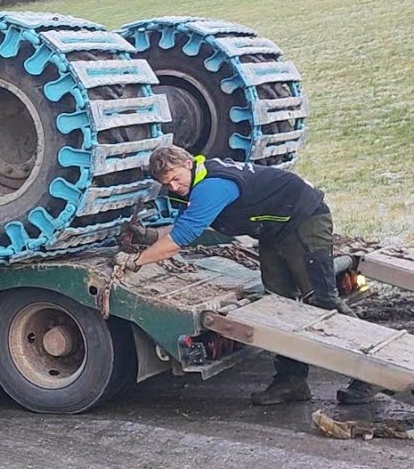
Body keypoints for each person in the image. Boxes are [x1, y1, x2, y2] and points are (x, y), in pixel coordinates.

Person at [115, 145, 381, 405]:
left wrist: (136, 260)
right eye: (167, 183)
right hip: (275, 229)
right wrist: (149, 237)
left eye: (175, 178)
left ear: (188, 164)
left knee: (323, 300)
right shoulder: (198, 180)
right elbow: (184, 225)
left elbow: (182, 238)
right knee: (279, 305)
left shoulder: (212, 186)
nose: (173, 187)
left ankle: (373, 373)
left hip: (304, 219)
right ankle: (291, 380)